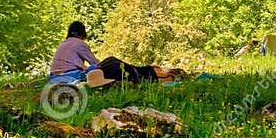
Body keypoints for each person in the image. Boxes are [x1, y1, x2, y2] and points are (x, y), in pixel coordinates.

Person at [49, 21, 183, 87]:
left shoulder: (64, 43)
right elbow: (95, 64)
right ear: (82, 33)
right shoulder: (79, 44)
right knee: (110, 63)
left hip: (54, 77)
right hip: (70, 76)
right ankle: (149, 77)